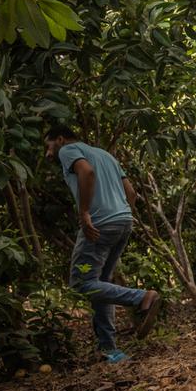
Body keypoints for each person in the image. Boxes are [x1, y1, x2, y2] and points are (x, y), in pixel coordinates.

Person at [45, 126, 161, 363]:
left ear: (59, 139)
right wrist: (120, 214)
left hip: (100, 225)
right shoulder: (106, 155)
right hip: (123, 222)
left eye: (48, 147)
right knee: (101, 285)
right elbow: (132, 194)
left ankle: (141, 297)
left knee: (81, 282)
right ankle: (110, 350)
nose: (48, 154)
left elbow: (86, 172)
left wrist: (85, 212)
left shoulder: (68, 149)